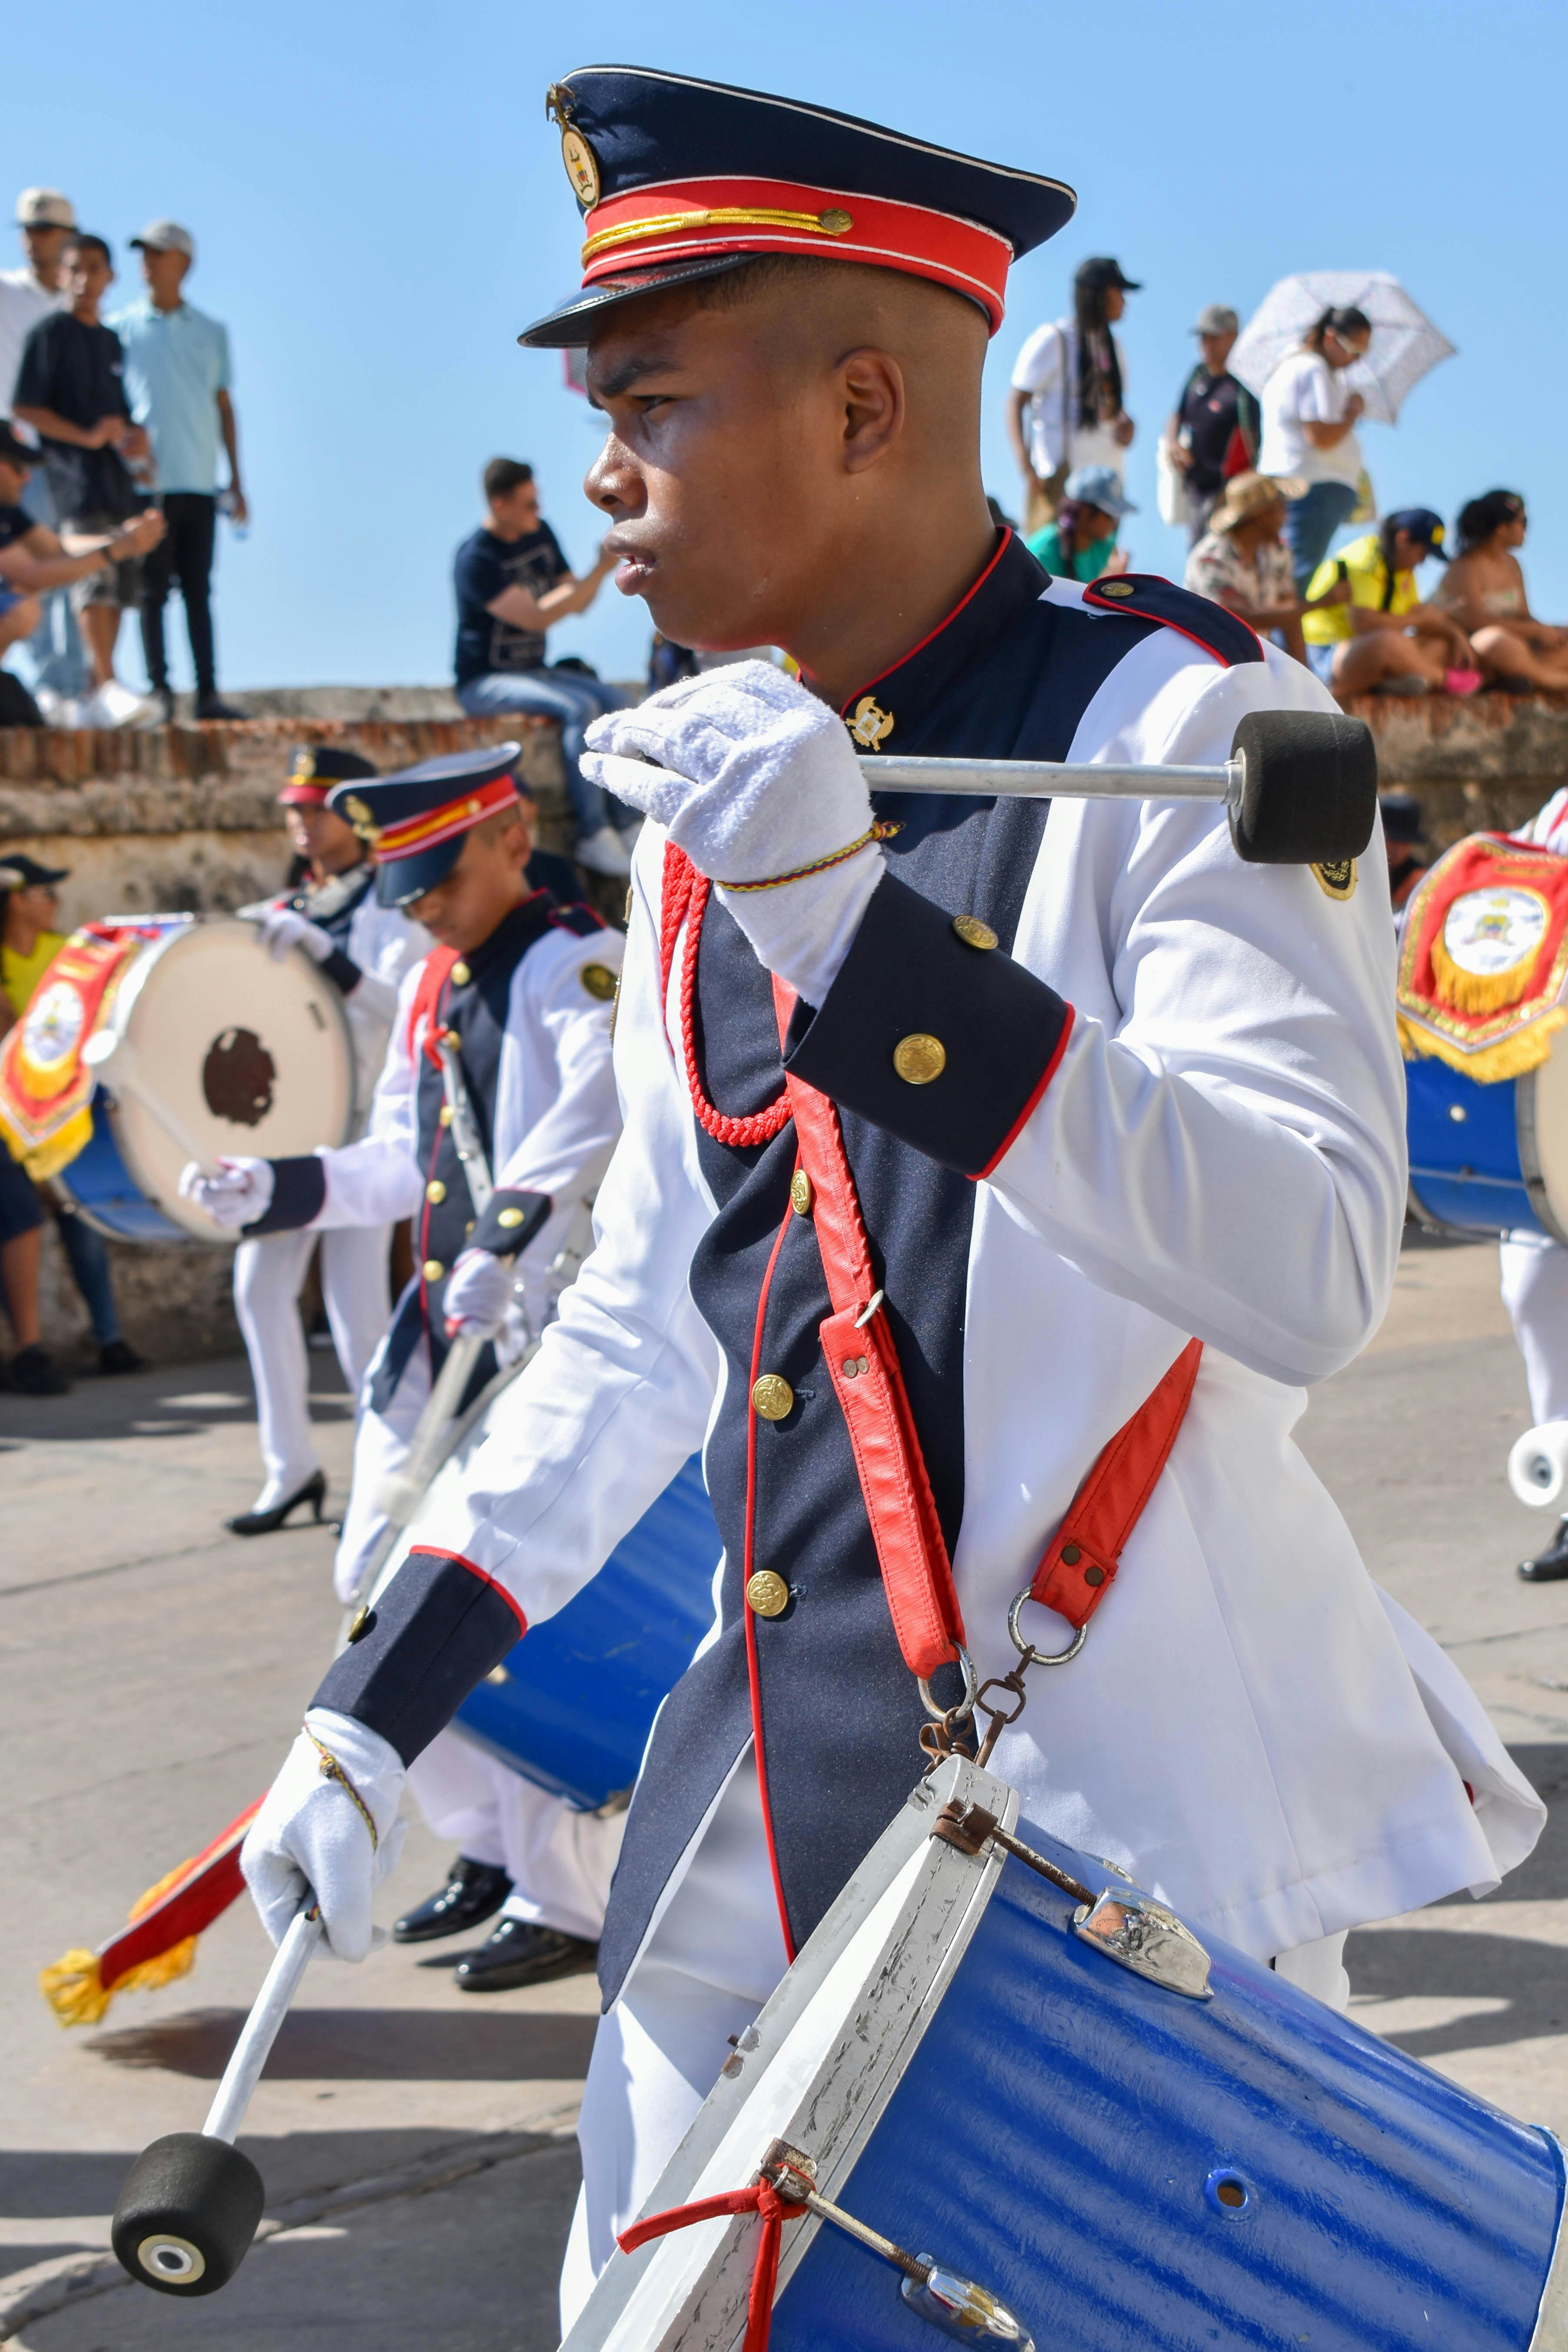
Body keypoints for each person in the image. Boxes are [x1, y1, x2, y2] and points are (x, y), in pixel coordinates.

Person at [231, 69, 1540, 2329]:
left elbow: (1311, 1266)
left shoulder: (1189, 718)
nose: (602, 489)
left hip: (1123, 1834)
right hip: (752, 1796)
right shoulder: (703, 804)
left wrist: (861, 934)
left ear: (862, 409)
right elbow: (646, 1315)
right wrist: (382, 1686)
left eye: (648, 402)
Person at [181, 743, 628, 1988]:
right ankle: (485, 1848)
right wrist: (272, 1187)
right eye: (407, 882)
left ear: (507, 839)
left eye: (438, 872)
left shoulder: (573, 962)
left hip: (534, 1335)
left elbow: (592, 1112)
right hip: (437, 1339)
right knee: (375, 1584)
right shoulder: (434, 985)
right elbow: (391, 1159)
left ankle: (565, 1892)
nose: (422, 902)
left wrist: (508, 1236)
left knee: (513, 1611)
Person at [225, 747, 431, 1536]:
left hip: (367, 1131)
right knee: (258, 1288)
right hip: (296, 1126)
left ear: (355, 814)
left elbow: (397, 1008)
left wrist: (326, 957)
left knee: (357, 1309)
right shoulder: (298, 903)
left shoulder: (391, 896)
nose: (301, 824)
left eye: (317, 809)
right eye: (294, 810)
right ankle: (291, 1470)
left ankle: (386, 1481)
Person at [0, 853, 144, 1375]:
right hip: (11, 1120)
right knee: (22, 1220)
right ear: (16, 900)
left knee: (82, 1217)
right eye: (46, 893)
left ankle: (109, 1339)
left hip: (60, 1112)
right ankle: (30, 1351)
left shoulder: (67, 955)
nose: (58, 904)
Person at [452, 458, 630, 877]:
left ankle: (628, 822)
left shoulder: (541, 534)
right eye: (529, 504)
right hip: (485, 683)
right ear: (500, 505)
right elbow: (536, 617)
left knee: (618, 701)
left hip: (535, 670)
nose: (539, 512)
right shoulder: (476, 560)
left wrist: (601, 572)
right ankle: (593, 833)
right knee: (578, 708)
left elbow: (578, 603)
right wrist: (593, 574)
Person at [13, 234, 163, 727]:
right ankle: (91, 679)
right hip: (67, 477)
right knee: (84, 571)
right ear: (61, 275)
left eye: (93, 269)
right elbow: (26, 406)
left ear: (109, 276)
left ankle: (103, 685)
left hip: (111, 478)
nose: (83, 279)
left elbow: (117, 413)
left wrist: (132, 440)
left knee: (120, 577)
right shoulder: (49, 334)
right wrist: (83, 435)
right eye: (74, 269)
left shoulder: (109, 341)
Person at [111, 220, 246, 723]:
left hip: (199, 479)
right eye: (144, 254)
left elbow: (224, 405)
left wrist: (237, 480)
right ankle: (160, 691)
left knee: (197, 590)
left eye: (159, 254)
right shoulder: (120, 329)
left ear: (183, 263)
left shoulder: (212, 333)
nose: (148, 263)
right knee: (152, 591)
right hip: (146, 484)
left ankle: (207, 692)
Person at [0, 187, 88, 710]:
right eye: (29, 231)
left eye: (46, 231)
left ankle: (74, 684)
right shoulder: (4, 292)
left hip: (71, 459)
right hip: (15, 458)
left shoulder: (78, 306)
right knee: (28, 570)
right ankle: (54, 681)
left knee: (71, 565)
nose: (35, 241)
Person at [1007, 255, 1138, 536]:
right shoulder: (1054, 339)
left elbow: (1111, 408)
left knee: (1097, 579)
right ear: (1099, 295)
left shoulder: (1114, 348)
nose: (1124, 302)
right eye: (1118, 292)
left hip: (1105, 493)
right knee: (1054, 574)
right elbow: (1015, 402)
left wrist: (1127, 427)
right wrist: (1026, 469)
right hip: (1062, 486)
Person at [1301, 510, 1480, 697]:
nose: (1422, 562)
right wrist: (1418, 620)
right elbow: (1364, 623)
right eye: (1423, 552)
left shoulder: (1402, 567)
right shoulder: (1364, 560)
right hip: (1326, 656)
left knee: (1442, 646)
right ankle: (1443, 680)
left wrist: (1455, 634)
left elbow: (1417, 614)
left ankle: (1395, 681)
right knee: (1390, 643)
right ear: (1403, 539)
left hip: (1365, 652)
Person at [1256, 305, 1372, 596]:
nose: (1355, 360)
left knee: (1286, 576)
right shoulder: (1312, 368)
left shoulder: (1298, 366)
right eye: (1353, 350)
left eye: (1362, 353)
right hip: (1312, 488)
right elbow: (1319, 436)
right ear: (1330, 337)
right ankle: (1280, 642)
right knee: (1294, 582)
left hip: (1301, 485)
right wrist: (1351, 413)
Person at [1432, 490, 1568, 692]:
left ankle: (1525, 677)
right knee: (1498, 641)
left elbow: (1523, 616)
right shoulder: (1466, 566)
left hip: (1515, 648)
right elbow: (1475, 623)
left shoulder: (1513, 565)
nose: (1525, 530)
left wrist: (1552, 632)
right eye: (1523, 522)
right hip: (1468, 649)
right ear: (1502, 529)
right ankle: (1550, 681)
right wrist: (1536, 631)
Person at [1185, 470, 1312, 663]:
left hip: (1256, 663)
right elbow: (1242, 618)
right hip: (1211, 664)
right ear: (1262, 517)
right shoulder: (1211, 558)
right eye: (1280, 508)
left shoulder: (1277, 553)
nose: (1286, 517)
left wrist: (1306, 677)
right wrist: (1320, 604)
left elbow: (1289, 618)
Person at [1163, 302, 1260, 545]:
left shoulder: (1243, 385)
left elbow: (1252, 441)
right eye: (1203, 338)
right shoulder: (1198, 375)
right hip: (1196, 487)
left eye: (1214, 338)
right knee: (1198, 554)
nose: (1206, 345)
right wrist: (1174, 443)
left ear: (1233, 338)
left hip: (1226, 492)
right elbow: (1178, 414)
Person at [1024, 462, 1132, 582]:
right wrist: (1100, 589)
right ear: (1085, 513)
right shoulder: (1041, 554)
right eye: (1110, 515)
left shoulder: (1106, 547)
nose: (1114, 523)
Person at [1378, 791, 1431, 914]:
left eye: (1404, 842)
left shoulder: (1419, 879)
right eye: (1392, 840)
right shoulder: (1359, 871)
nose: (1397, 849)